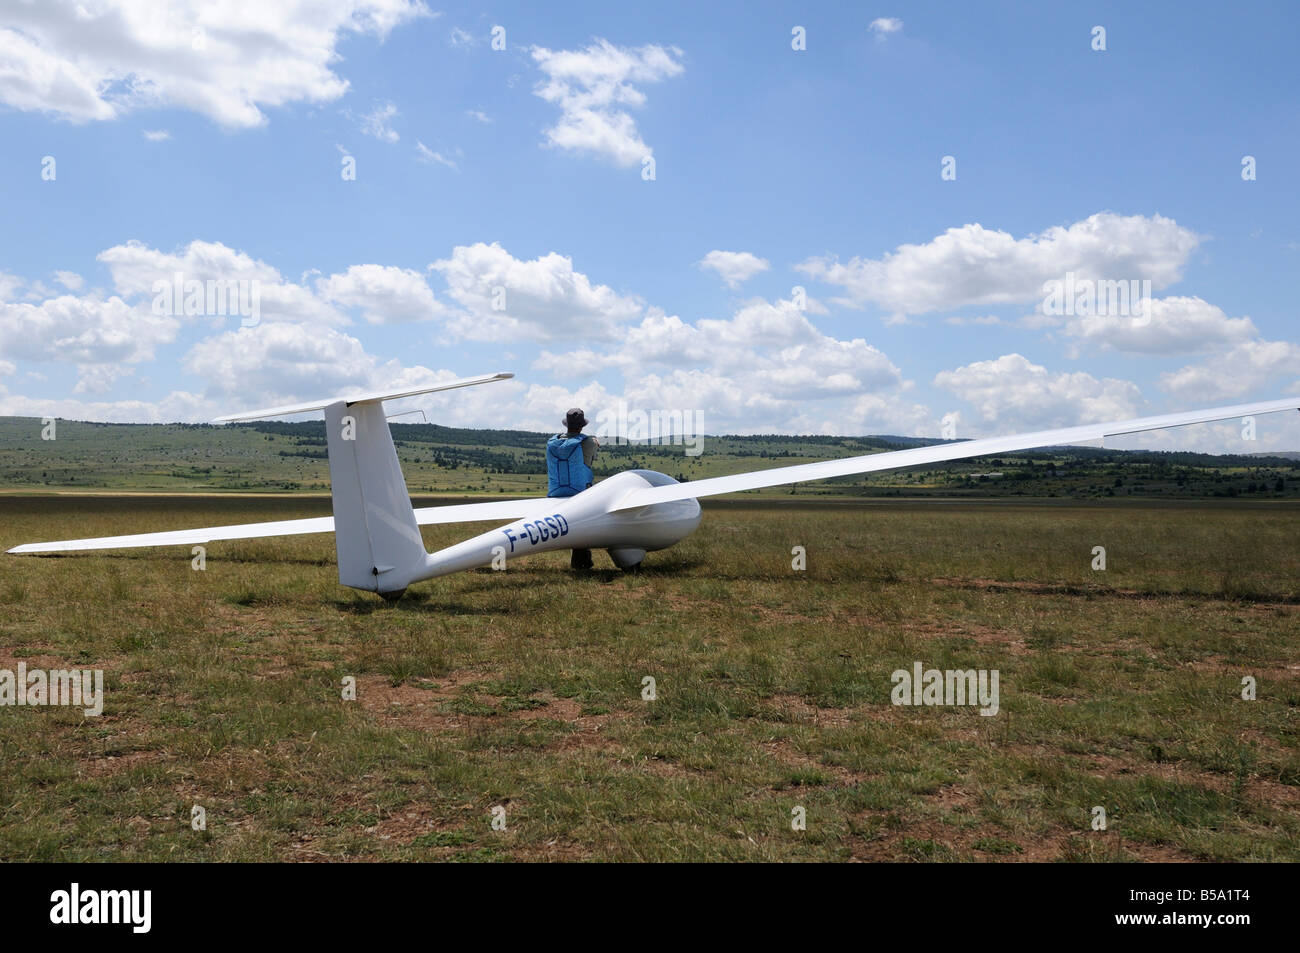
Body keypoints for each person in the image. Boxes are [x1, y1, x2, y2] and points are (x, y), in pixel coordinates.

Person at [546, 408, 600, 570]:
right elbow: (590, 460)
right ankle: (581, 560)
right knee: (583, 524)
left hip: (556, 491)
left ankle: (581, 559)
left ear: (567, 424)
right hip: (579, 491)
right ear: (581, 426)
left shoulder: (552, 442)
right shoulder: (588, 442)